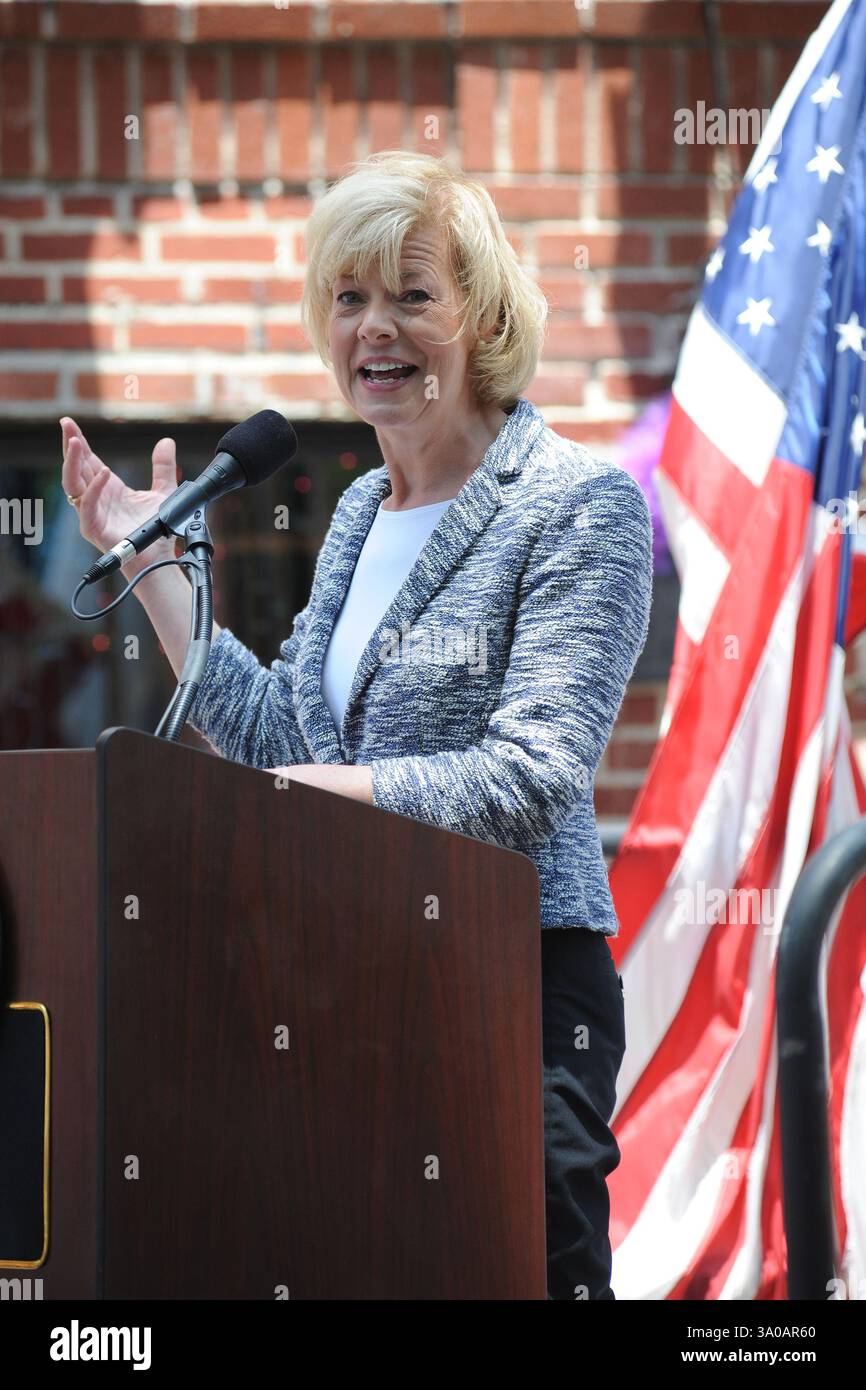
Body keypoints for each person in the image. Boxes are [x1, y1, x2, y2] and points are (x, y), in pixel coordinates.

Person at [61, 149, 653, 1300]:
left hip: (513, 985)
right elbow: (287, 744)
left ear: (476, 314)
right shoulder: (353, 513)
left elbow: (530, 775)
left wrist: (308, 801)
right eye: (348, 298)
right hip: (347, 966)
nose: (374, 327)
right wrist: (153, 561)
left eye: (410, 295)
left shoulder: (578, 504)